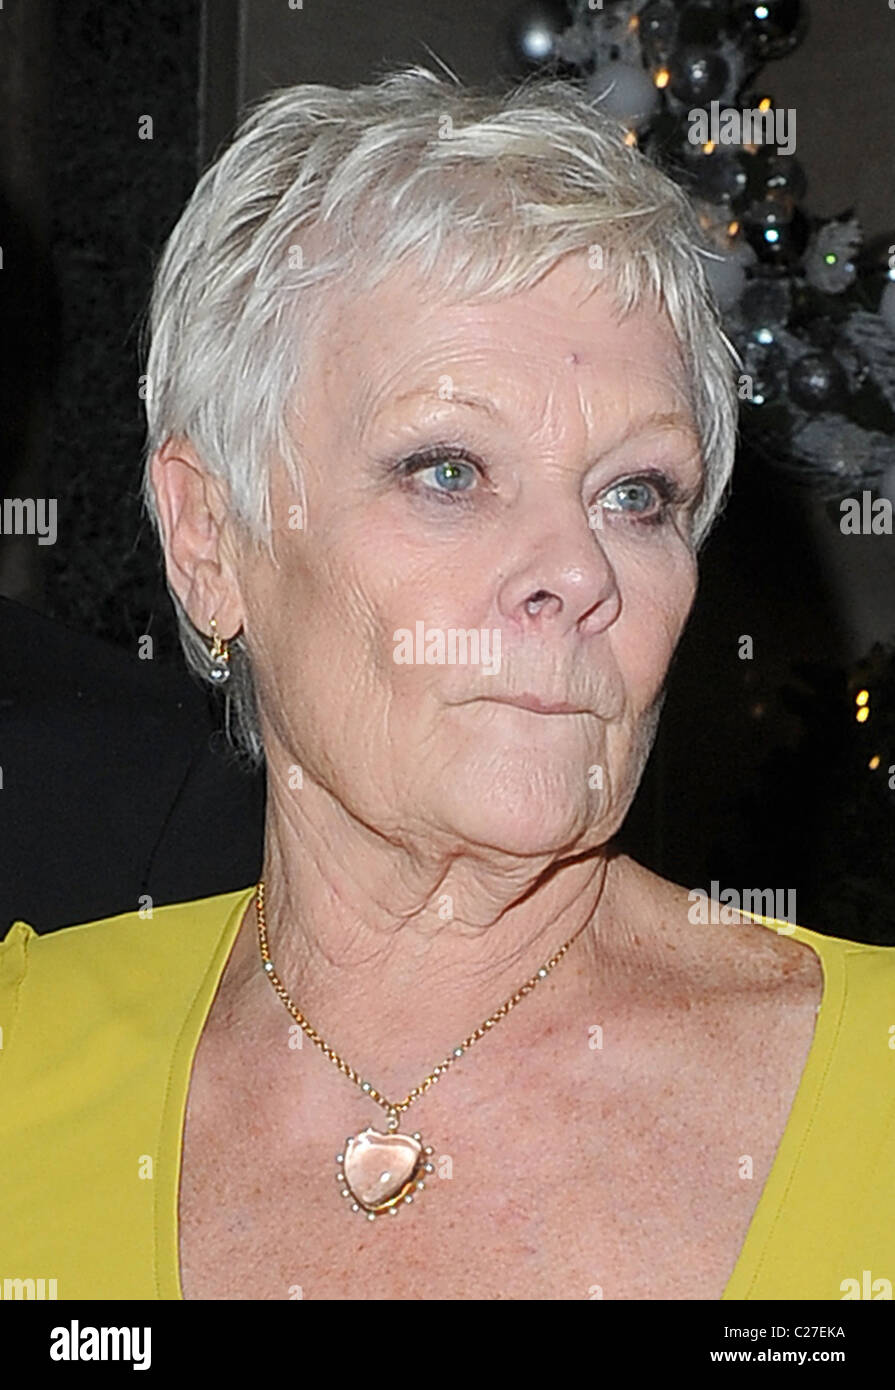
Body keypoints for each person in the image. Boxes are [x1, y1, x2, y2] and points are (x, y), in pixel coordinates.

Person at [1, 68, 892, 1302]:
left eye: (635, 495)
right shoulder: (20, 1052)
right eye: (448, 471)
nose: (578, 572)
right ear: (209, 539)